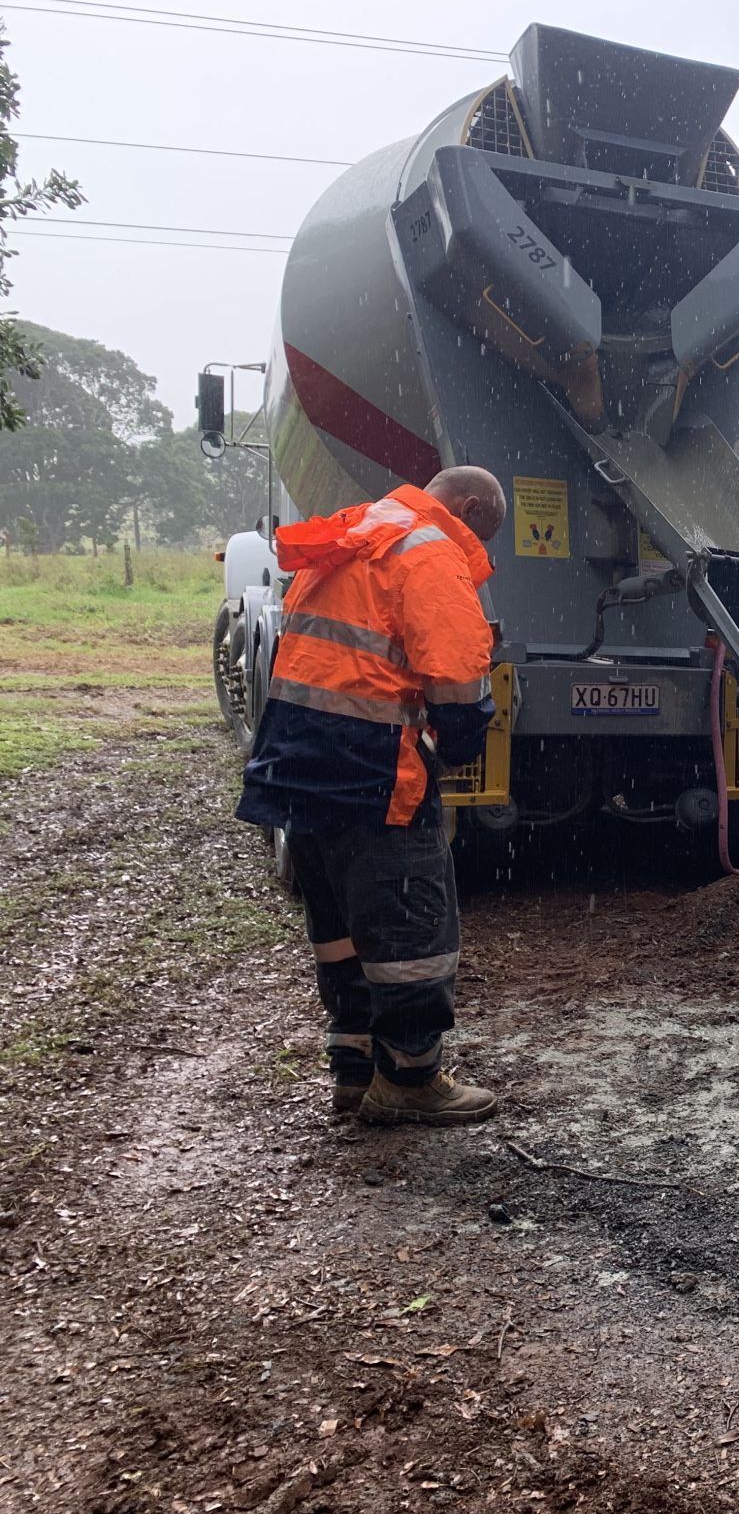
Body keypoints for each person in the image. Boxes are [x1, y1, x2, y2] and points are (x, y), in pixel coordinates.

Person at [236, 466, 506, 1126]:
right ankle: (410, 1078)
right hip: (373, 772)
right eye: (484, 531)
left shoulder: (353, 533)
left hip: (298, 765)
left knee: (340, 930)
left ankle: (355, 1069)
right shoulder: (430, 551)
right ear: (466, 508)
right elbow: (456, 682)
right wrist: (464, 740)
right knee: (410, 925)